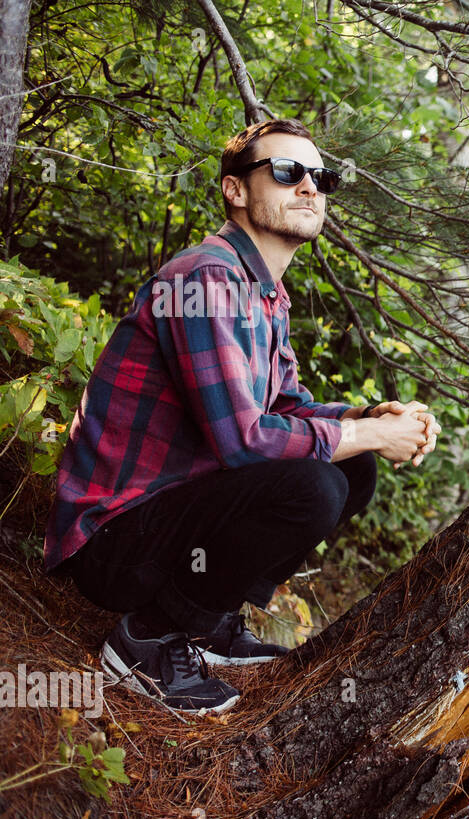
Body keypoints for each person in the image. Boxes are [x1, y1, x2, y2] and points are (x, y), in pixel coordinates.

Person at [42, 118, 439, 715]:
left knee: (353, 470)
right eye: (287, 172)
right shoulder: (205, 278)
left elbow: (284, 408)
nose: (309, 187)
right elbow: (245, 442)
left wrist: (368, 416)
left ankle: (210, 621)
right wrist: (367, 433)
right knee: (315, 484)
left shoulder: (263, 292)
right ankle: (146, 639)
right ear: (235, 189)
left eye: (320, 177)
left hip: (172, 520)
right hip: (113, 540)